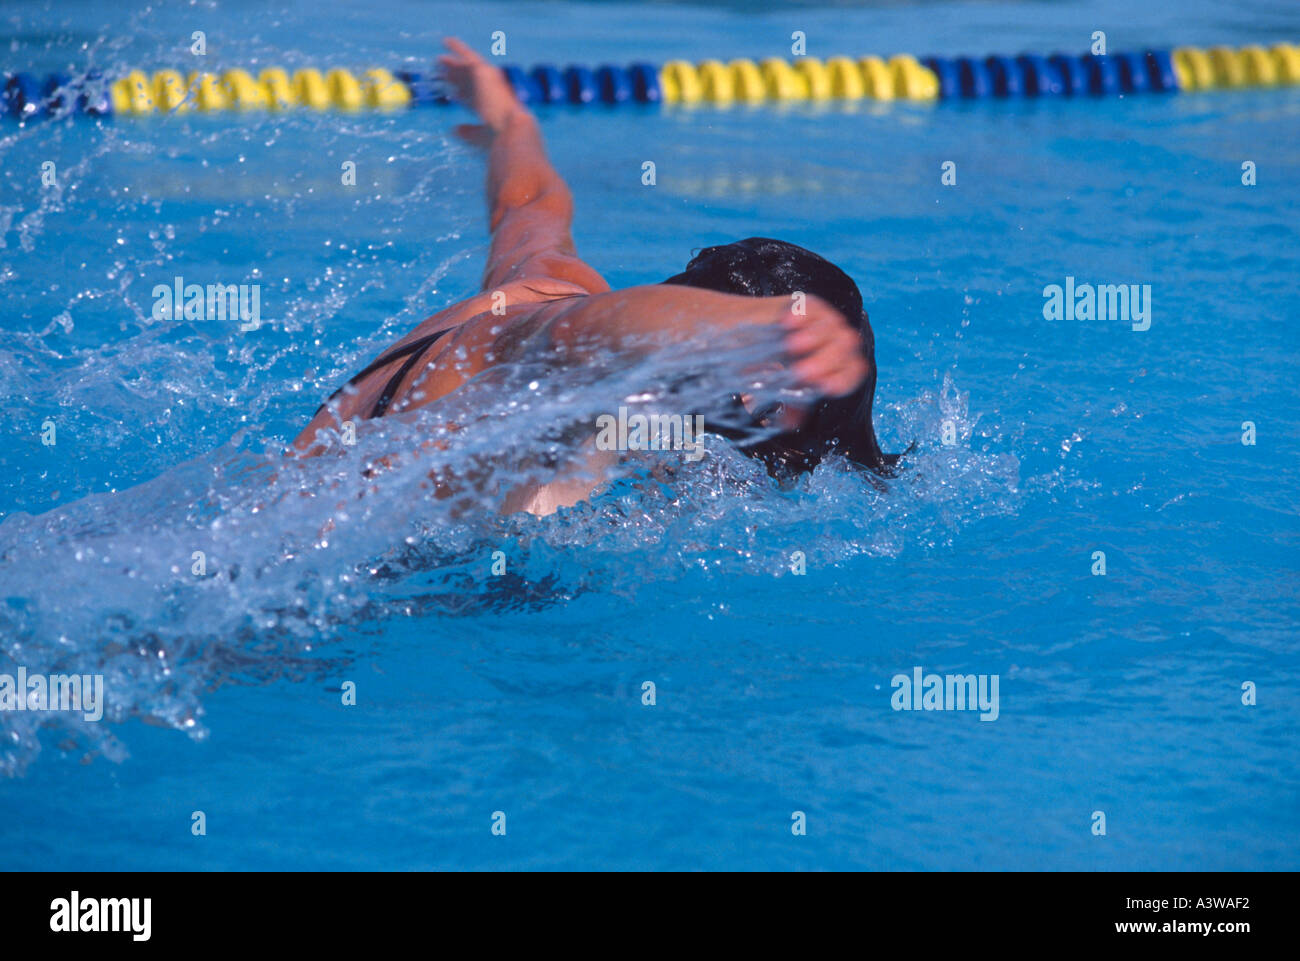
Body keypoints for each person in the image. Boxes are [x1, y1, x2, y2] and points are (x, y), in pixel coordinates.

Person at [293, 38, 895, 515]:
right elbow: (578, 335)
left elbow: (528, 204)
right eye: (763, 414)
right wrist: (757, 322)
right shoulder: (554, 365)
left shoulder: (544, 283)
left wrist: (510, 122)